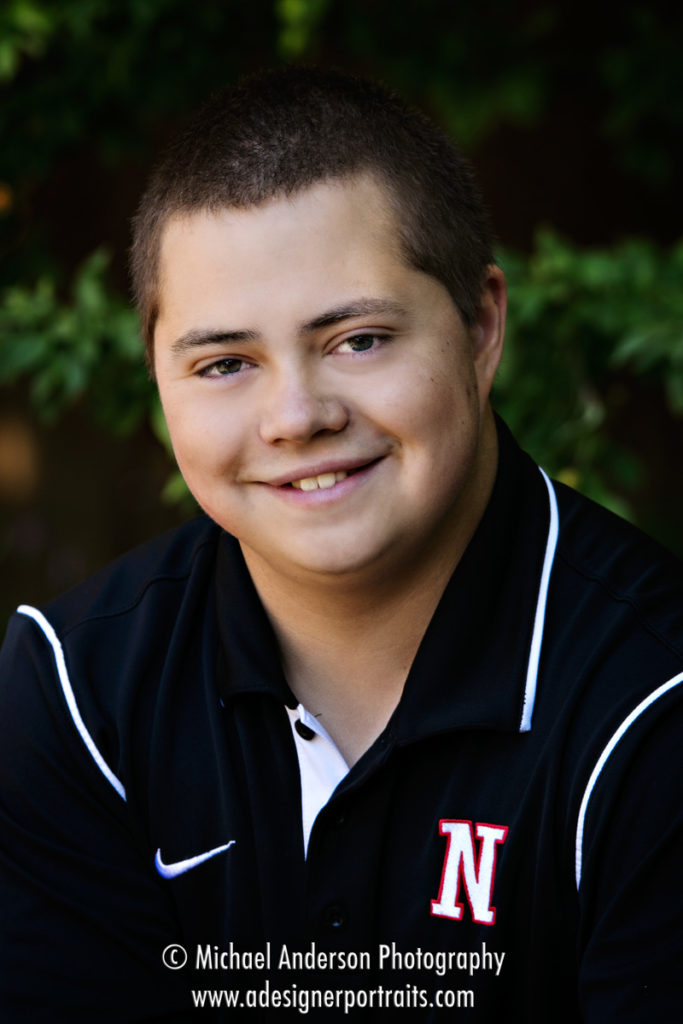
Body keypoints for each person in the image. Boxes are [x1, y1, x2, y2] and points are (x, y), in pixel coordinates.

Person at [0, 67, 681, 1023]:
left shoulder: (653, 705)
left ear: (480, 326)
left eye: (356, 340)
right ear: (158, 380)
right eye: (226, 363)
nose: (296, 417)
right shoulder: (76, 695)